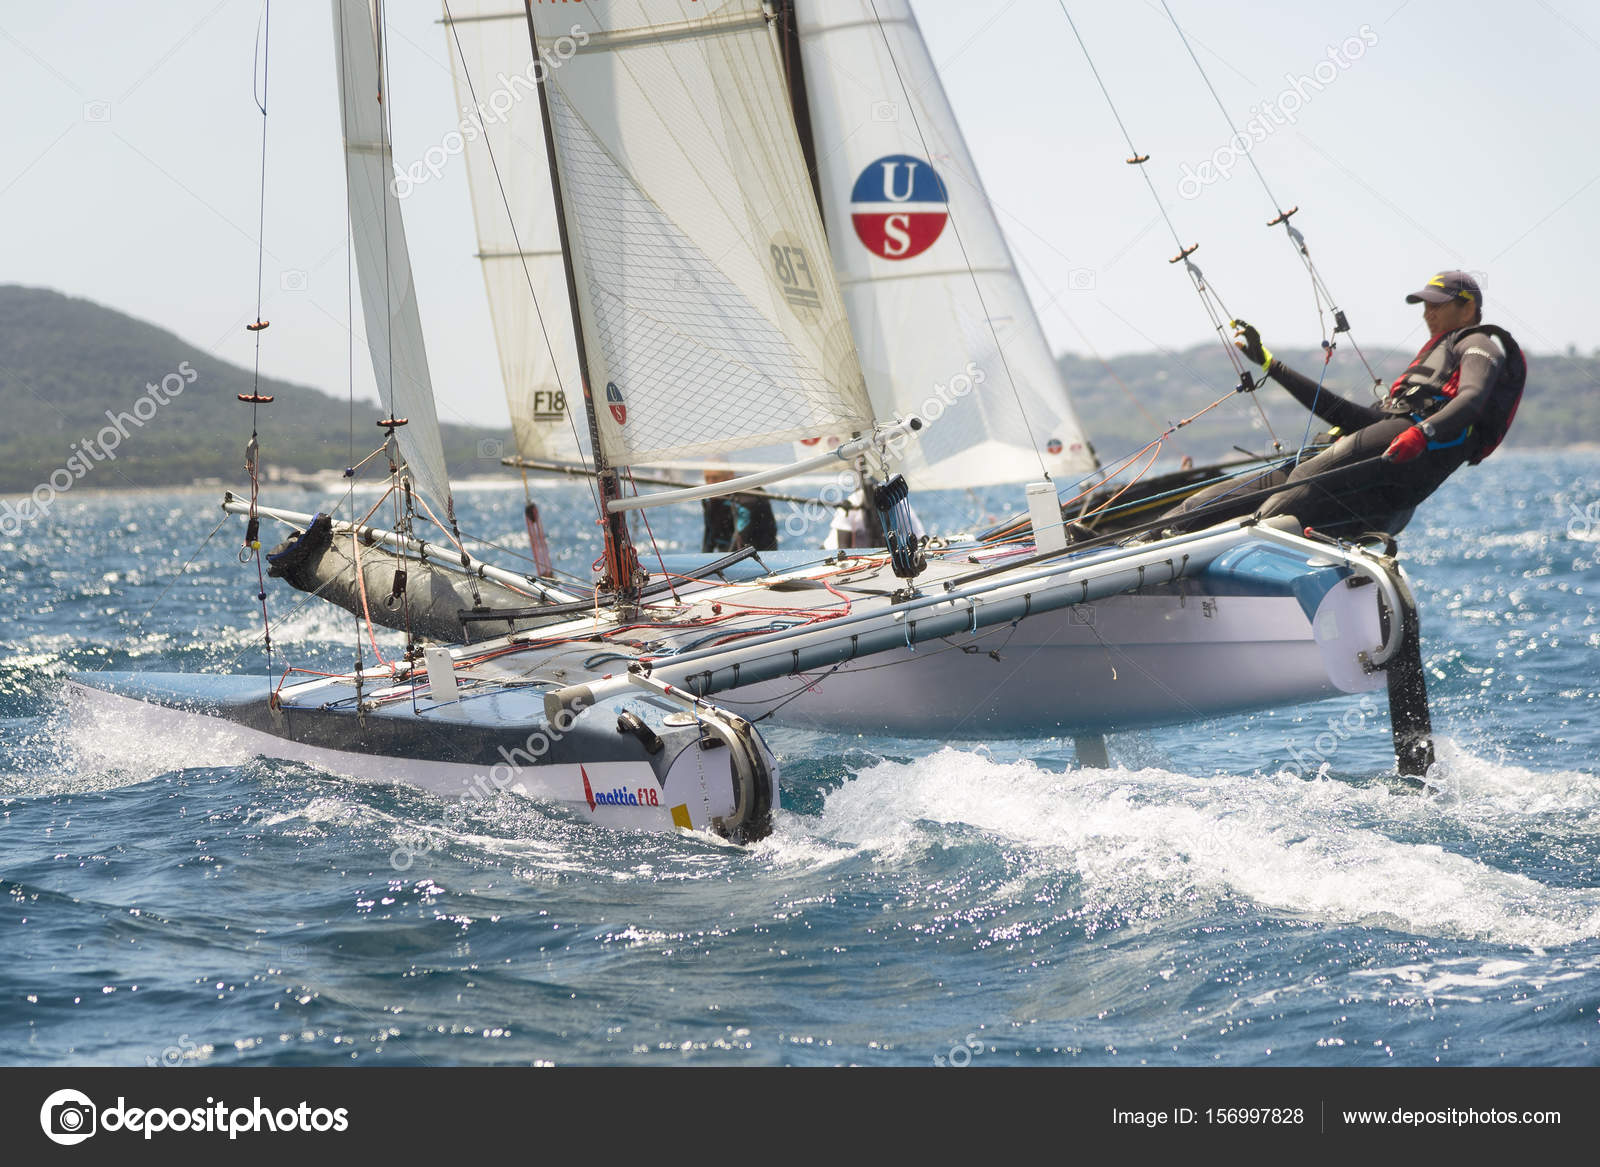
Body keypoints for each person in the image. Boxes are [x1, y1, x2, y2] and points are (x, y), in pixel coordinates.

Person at [1162, 270, 1525, 537]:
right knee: (1254, 487)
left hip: (1415, 454)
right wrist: (1271, 364)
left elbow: (1473, 399)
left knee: (1305, 477)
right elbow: (1350, 416)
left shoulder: (1480, 344)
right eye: (1425, 306)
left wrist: (1423, 432)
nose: (1428, 313)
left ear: (1468, 308)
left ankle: (1237, 542)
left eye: (1437, 305)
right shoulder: (1429, 365)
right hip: (1391, 441)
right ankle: (1149, 543)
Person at [700, 466, 778, 553]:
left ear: (730, 476)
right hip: (727, 550)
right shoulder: (707, 499)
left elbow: (741, 539)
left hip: (759, 554)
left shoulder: (748, 499)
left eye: (715, 478)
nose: (710, 484)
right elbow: (709, 535)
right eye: (707, 479)